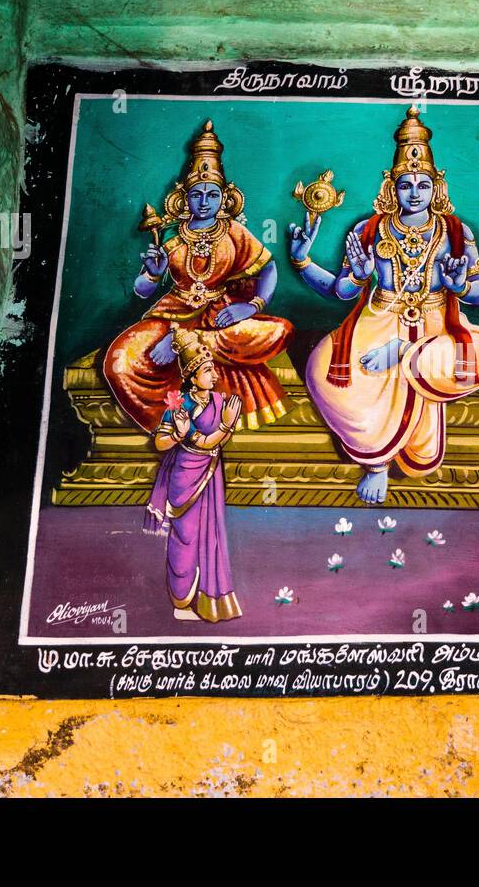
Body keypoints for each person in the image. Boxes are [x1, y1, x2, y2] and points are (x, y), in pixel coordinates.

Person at [288, 105, 479, 503]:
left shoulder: (455, 231)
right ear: (393, 187)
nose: (416, 192)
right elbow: (342, 292)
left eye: (423, 184)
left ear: (436, 187)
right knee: (328, 374)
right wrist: (304, 261)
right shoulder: (369, 229)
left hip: (440, 321)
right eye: (407, 185)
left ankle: (407, 354)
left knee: (452, 357)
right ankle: (376, 464)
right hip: (379, 315)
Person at [104, 120, 292, 433]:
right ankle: (171, 425)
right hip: (172, 316)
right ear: (184, 198)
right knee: (119, 362)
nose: (204, 202)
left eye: (212, 195)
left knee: (280, 331)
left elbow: (268, 268)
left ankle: (193, 343)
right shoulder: (174, 239)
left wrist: (254, 306)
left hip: (222, 318)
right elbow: (140, 289)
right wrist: (152, 275)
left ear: (224, 198)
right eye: (197, 195)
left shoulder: (233, 232)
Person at [143, 329, 243, 622]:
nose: (214, 376)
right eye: (207, 370)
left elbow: (214, 444)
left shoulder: (219, 400)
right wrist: (181, 433)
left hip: (210, 477)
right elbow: (162, 443)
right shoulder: (179, 404)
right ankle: (181, 603)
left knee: (210, 537)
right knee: (185, 539)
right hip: (185, 480)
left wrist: (223, 428)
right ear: (191, 375)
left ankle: (210, 601)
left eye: (213, 369)